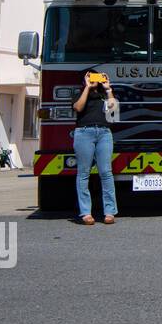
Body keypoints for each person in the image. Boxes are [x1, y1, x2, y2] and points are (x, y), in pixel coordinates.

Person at [71, 71, 119, 225]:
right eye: (91, 77)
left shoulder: (105, 95)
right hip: (84, 133)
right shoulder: (79, 93)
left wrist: (108, 89)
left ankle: (110, 212)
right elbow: (78, 108)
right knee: (83, 173)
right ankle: (86, 213)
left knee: (106, 172)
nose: (94, 80)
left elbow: (113, 111)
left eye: (97, 77)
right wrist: (87, 87)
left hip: (104, 133)